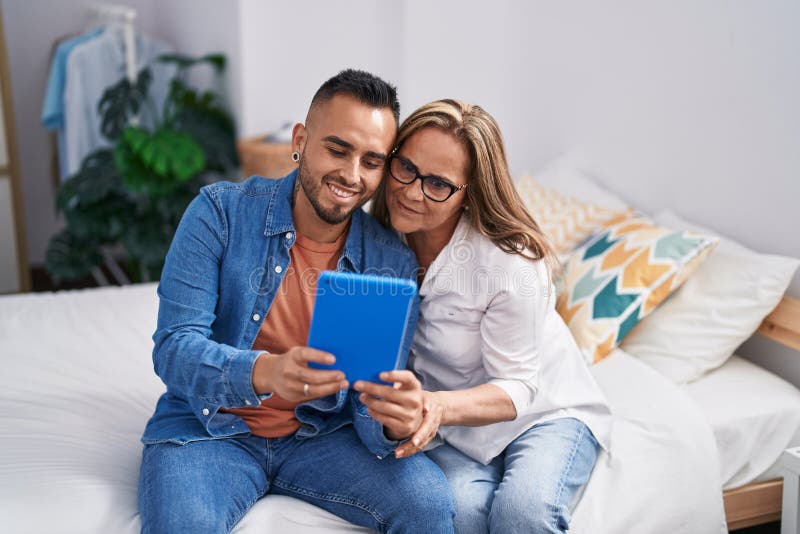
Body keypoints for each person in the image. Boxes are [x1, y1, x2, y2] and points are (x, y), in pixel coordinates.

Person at [137, 70, 454, 534]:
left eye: (371, 161)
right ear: (301, 140)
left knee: (428, 501)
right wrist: (266, 371)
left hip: (321, 437)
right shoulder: (220, 213)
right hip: (210, 432)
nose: (351, 175)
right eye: (337, 149)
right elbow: (173, 348)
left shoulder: (391, 258)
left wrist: (393, 420)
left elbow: (369, 400)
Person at [363, 99, 612, 533]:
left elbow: (517, 387)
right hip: (456, 429)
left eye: (438, 184)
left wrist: (433, 405)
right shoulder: (381, 241)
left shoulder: (510, 263)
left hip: (543, 413)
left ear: (469, 194)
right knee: (461, 510)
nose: (411, 190)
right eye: (405, 167)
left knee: (523, 513)